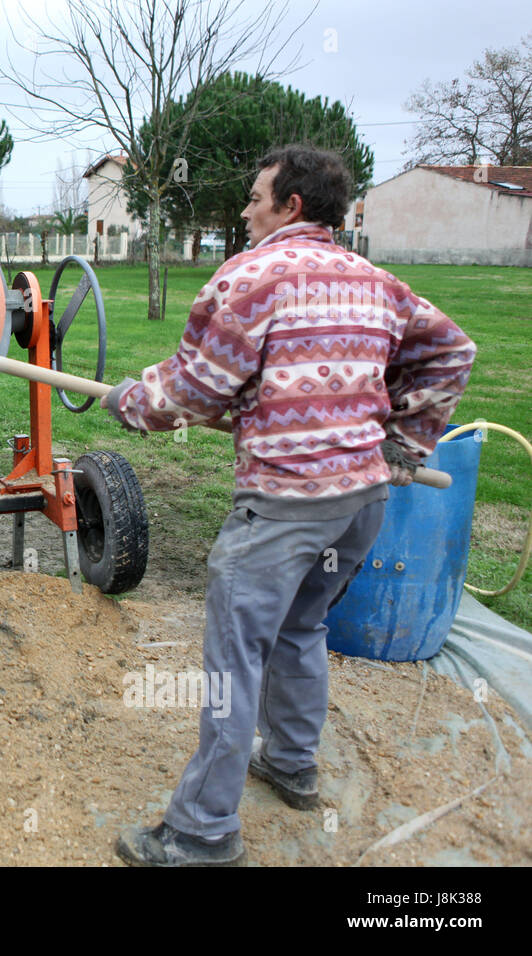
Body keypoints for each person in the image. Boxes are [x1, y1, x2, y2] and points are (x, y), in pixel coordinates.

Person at [102, 145, 475, 865]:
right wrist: (401, 444)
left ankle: (202, 831)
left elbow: (194, 391)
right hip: (360, 499)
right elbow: (451, 352)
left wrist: (131, 403)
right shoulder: (375, 281)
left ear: (291, 205)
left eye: (254, 197)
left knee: (233, 659)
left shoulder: (252, 276)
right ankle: (294, 764)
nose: (244, 211)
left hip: (285, 504)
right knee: (302, 626)